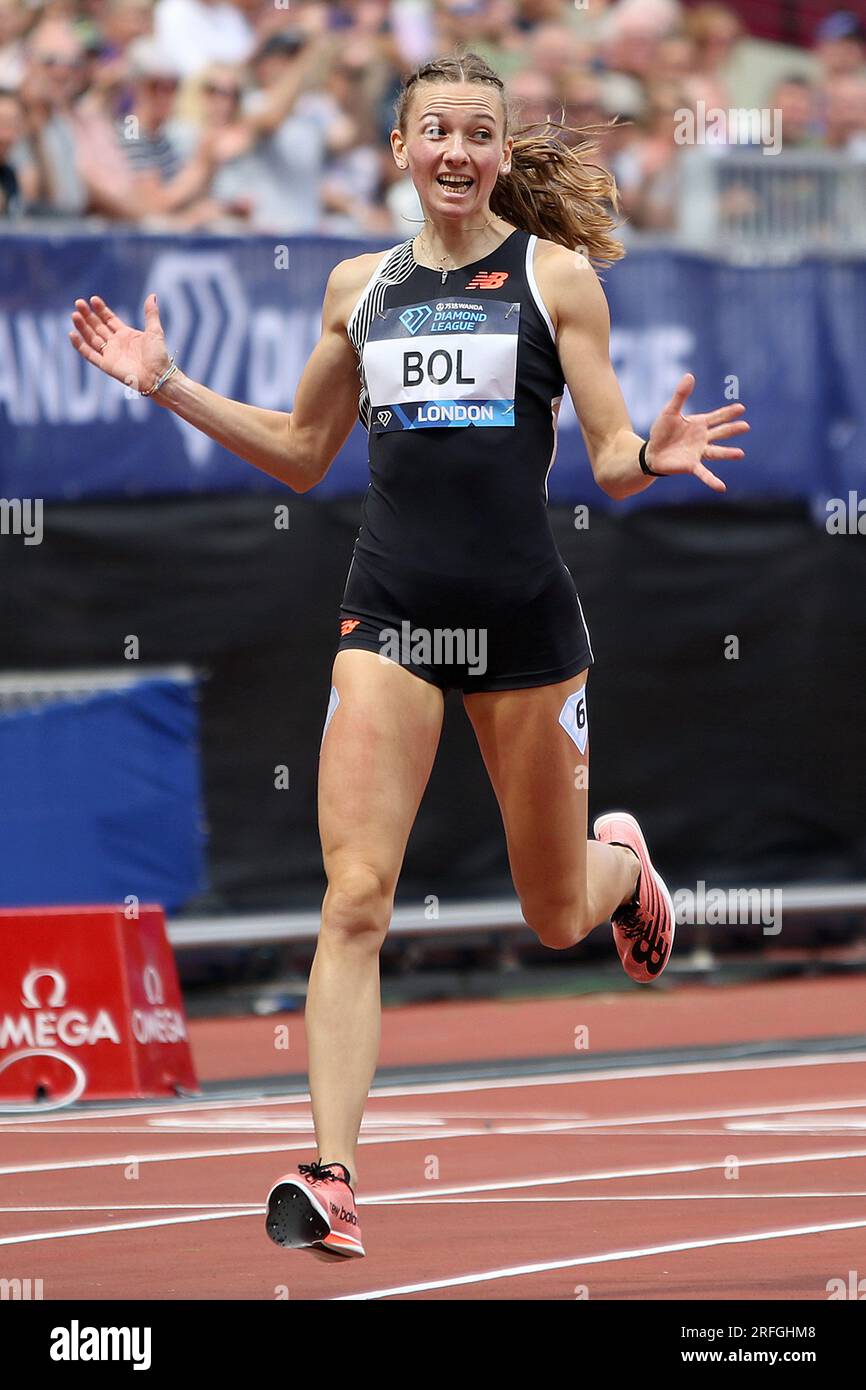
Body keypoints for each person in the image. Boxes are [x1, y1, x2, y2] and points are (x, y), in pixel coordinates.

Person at [68, 46, 749, 1261]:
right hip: (386, 620)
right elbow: (298, 450)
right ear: (396, 148)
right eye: (433, 129)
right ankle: (330, 1173)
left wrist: (651, 454)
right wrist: (166, 380)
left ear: (499, 152)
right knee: (355, 898)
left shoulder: (555, 279)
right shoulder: (355, 288)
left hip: (525, 631)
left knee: (551, 915)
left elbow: (600, 452)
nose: (455, 151)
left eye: (477, 133)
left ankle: (619, 865)